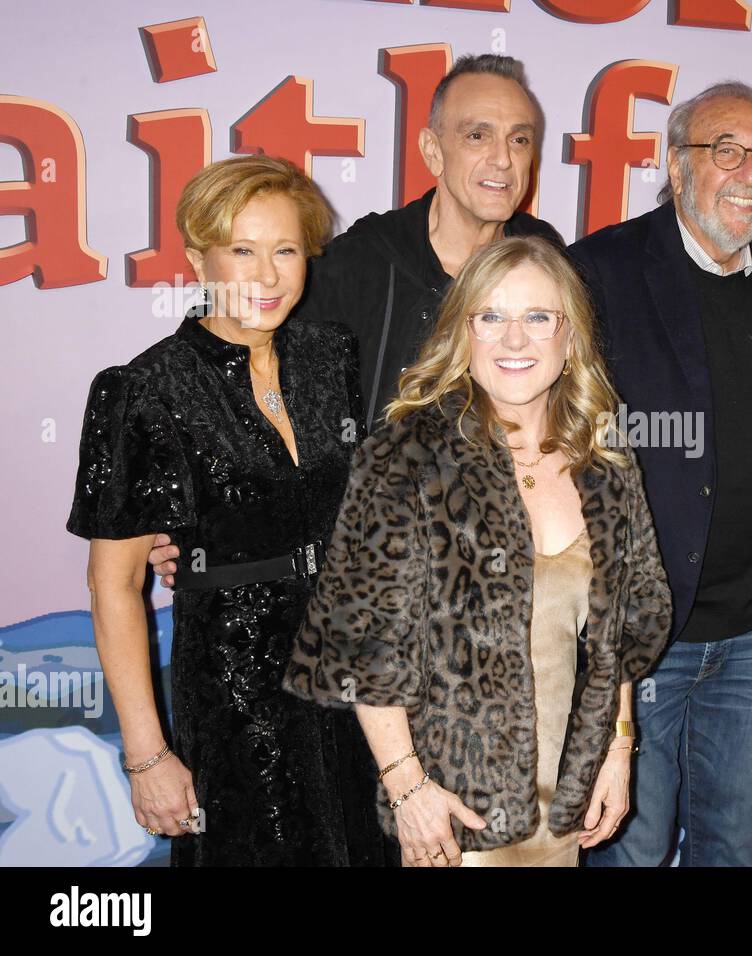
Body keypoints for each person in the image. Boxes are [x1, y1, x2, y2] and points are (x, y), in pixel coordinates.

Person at [283, 235, 673, 867]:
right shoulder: (406, 456)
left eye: (537, 318)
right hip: (450, 814)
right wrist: (407, 787)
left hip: (563, 809)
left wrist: (620, 749)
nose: (514, 341)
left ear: (570, 336)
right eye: (490, 317)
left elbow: (624, 629)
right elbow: (361, 644)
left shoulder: (605, 459)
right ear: (463, 334)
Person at [66, 155, 392, 866]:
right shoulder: (144, 388)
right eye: (243, 251)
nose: (268, 276)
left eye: (285, 251)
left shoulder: (328, 357)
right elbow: (114, 585)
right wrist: (148, 755)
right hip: (238, 688)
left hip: (351, 676)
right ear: (198, 258)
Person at [146, 53, 563, 583]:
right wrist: (198, 509)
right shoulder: (362, 261)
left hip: (506, 568)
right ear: (433, 150)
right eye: (478, 136)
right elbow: (225, 346)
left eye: (520, 139)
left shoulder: (542, 257)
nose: (503, 160)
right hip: (376, 586)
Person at [568, 81, 752, 867]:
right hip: (648, 634)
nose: (750, 173)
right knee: (634, 849)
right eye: (726, 152)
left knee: (730, 842)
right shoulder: (599, 270)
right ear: (676, 167)